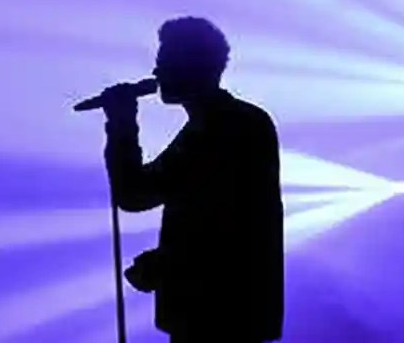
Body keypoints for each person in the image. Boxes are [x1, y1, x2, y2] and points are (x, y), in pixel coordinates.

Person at [100, 17, 283, 343]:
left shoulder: (226, 127)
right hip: (219, 312)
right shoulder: (225, 124)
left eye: (165, 61)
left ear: (191, 65)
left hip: (219, 316)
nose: (156, 72)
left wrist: (122, 124)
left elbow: (137, 194)